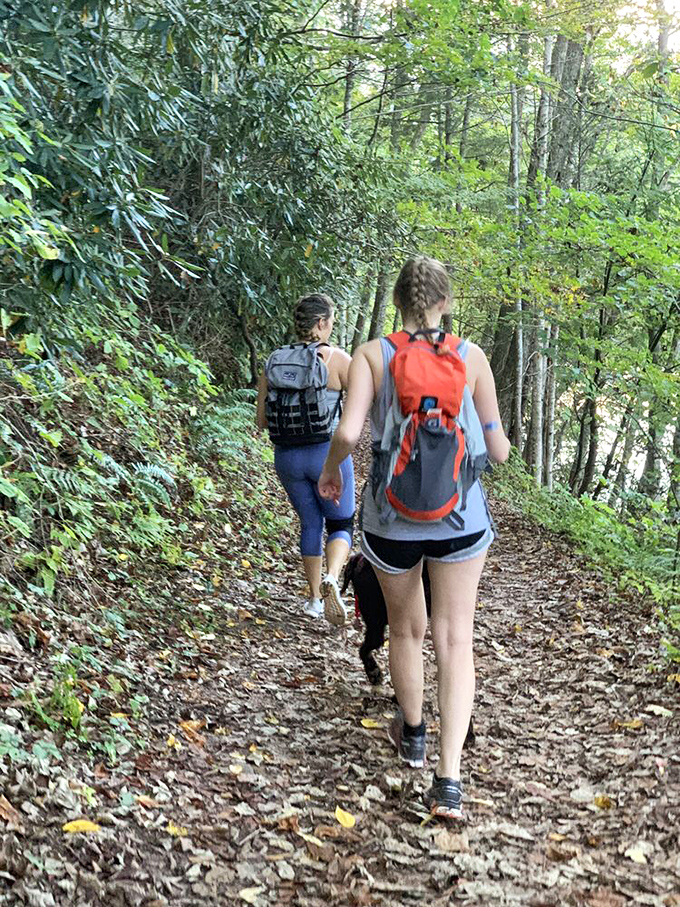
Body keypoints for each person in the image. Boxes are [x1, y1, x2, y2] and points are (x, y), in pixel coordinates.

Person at [318, 257, 510, 819]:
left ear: (397, 301)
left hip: (391, 520)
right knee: (455, 639)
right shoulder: (473, 358)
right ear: (445, 303)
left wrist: (331, 472)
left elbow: (348, 431)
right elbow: (499, 451)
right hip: (460, 519)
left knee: (405, 629)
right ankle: (449, 781)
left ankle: (415, 735)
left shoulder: (371, 356)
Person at [256, 293, 354, 625]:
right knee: (341, 523)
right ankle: (333, 578)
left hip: (286, 458)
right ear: (322, 323)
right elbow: (360, 412)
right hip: (327, 454)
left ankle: (314, 600)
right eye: (331, 321)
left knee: (311, 523)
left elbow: (262, 420)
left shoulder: (273, 361)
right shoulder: (338, 359)